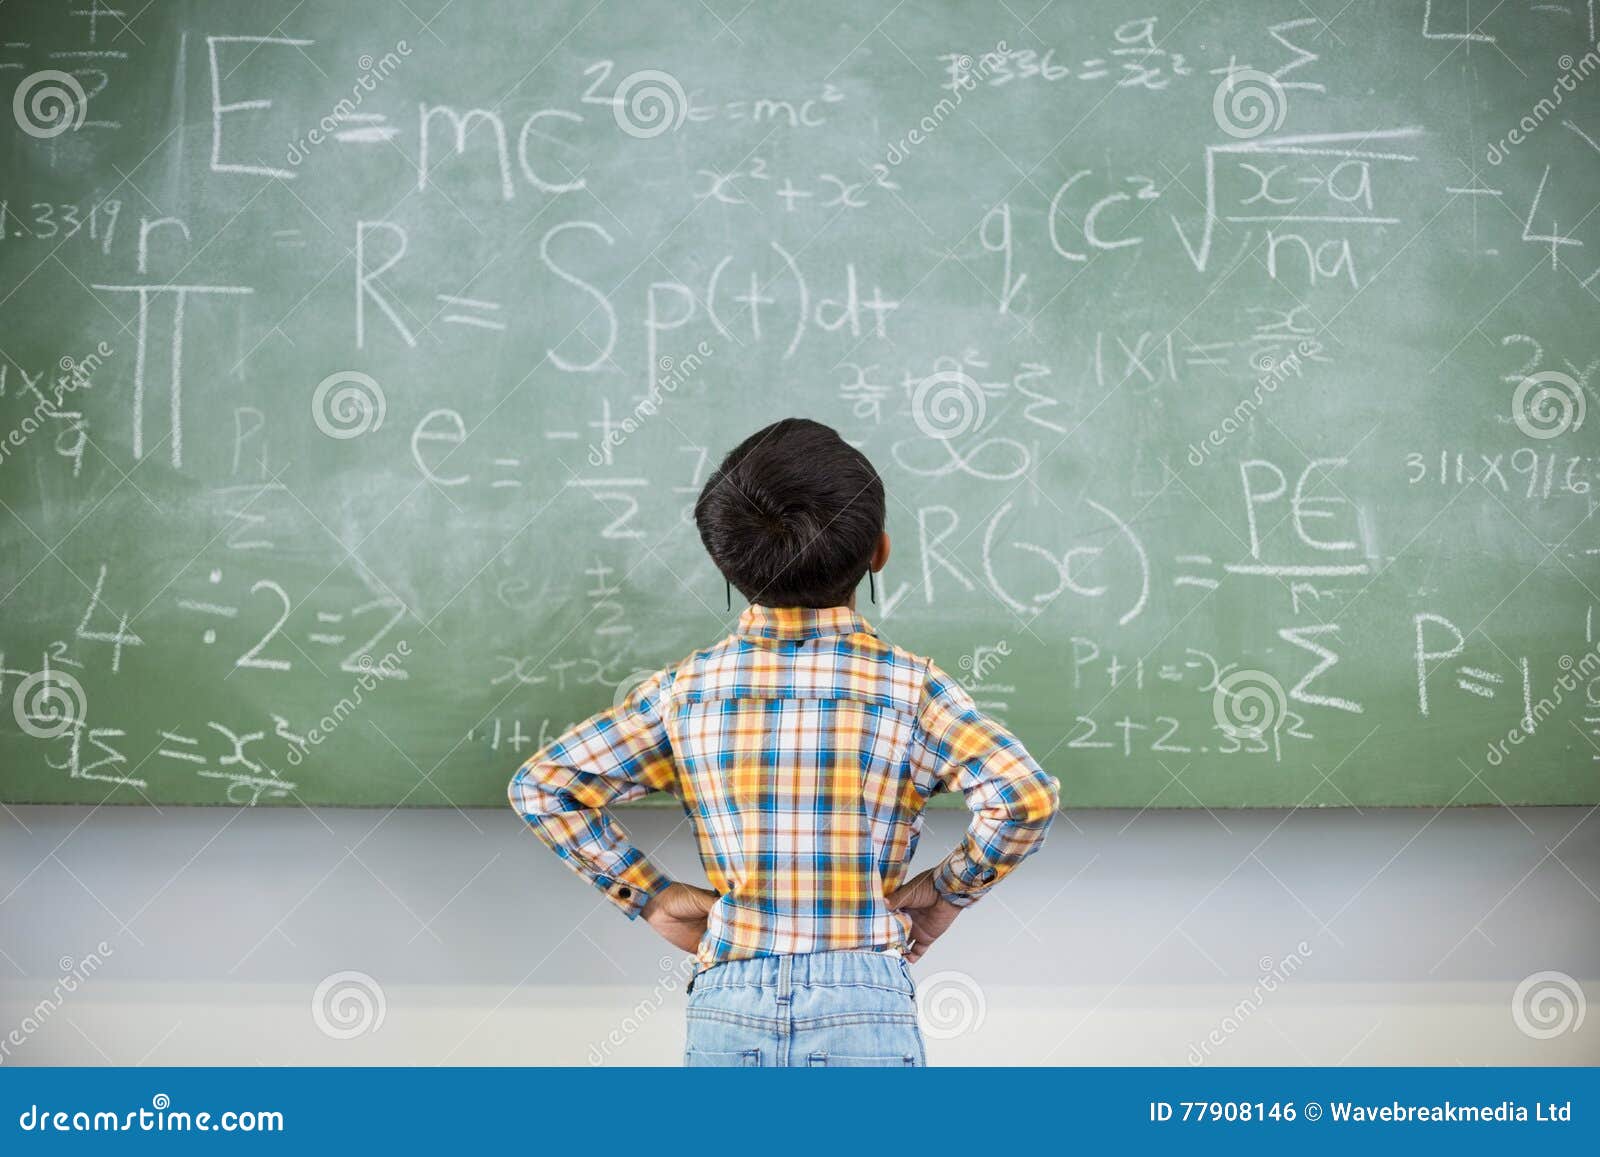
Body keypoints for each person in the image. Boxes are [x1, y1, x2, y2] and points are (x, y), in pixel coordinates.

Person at [509, 417, 1059, 1066]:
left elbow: (544, 787)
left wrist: (651, 896)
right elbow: (1024, 797)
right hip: (865, 991)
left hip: (729, 998)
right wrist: (944, 892)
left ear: (723, 558)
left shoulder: (684, 692)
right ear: (878, 550)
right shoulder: (913, 690)